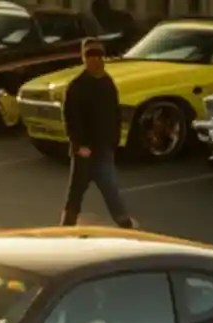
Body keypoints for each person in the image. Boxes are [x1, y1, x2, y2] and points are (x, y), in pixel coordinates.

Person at [60, 38, 136, 229]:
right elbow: (71, 118)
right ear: (84, 59)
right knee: (76, 191)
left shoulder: (107, 83)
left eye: (98, 56)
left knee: (110, 188)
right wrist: (79, 145)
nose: (94, 60)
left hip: (103, 148)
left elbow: (115, 113)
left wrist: (115, 139)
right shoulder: (77, 85)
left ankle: (124, 223)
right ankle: (66, 226)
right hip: (84, 150)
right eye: (90, 56)